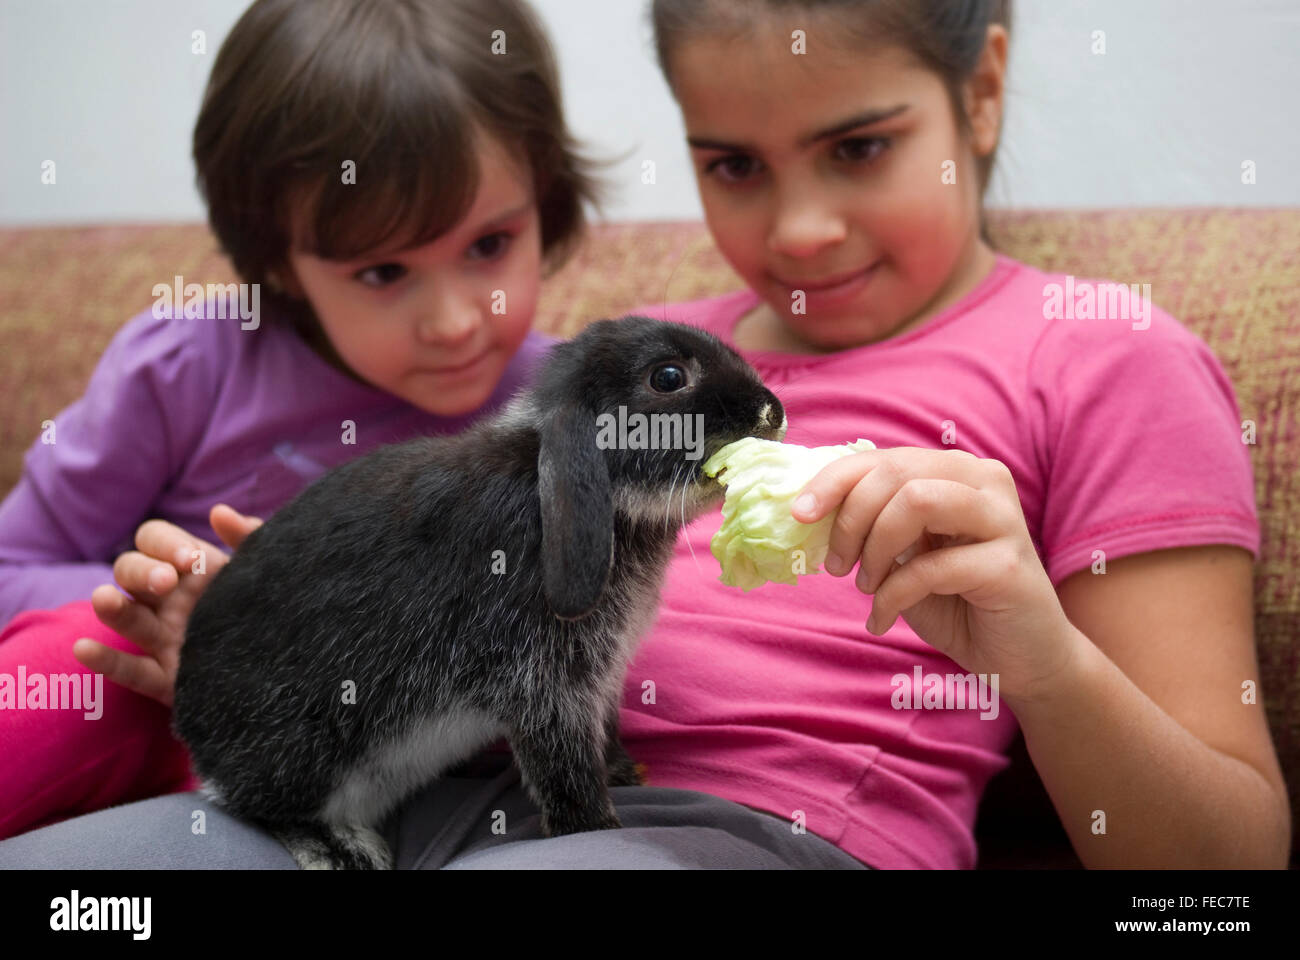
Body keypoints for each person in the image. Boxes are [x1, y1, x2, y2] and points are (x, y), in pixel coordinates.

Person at [0, 0, 1288, 869]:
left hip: (720, 836)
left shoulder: (1104, 351)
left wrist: (1042, 656)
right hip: (421, 798)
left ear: (983, 88)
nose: (798, 232)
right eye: (731, 164)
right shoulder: (608, 353)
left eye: (859, 147)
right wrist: (263, 629)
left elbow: (1232, 864)